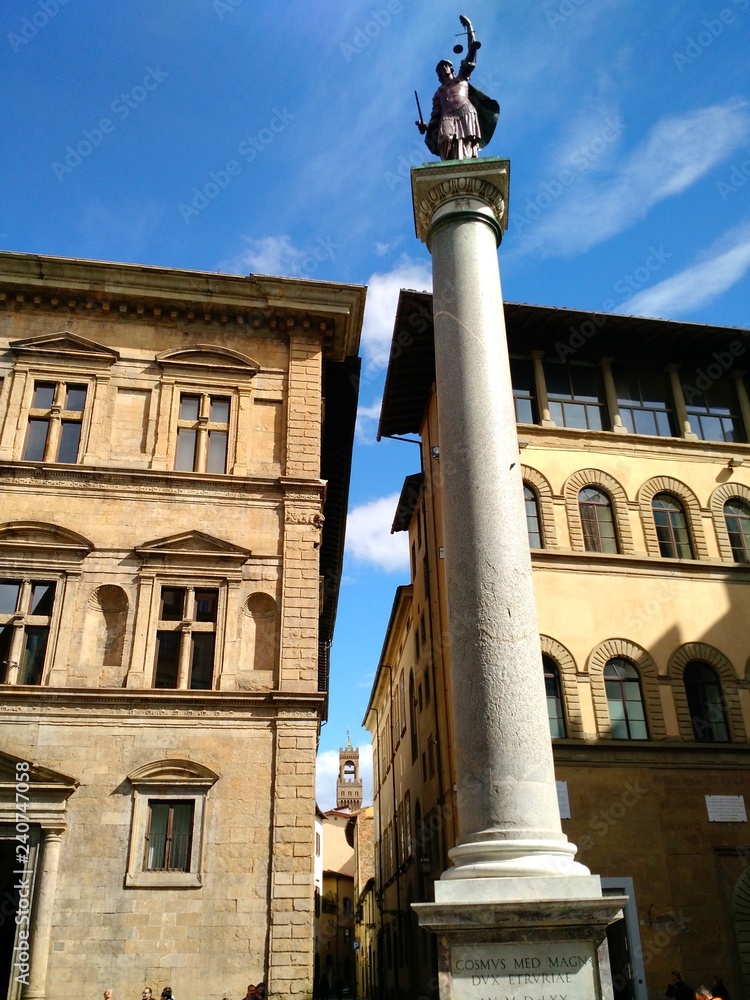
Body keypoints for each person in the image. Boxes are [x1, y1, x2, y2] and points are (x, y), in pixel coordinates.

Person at [416, 14, 498, 161]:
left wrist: (469, 27)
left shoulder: (462, 78)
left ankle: (466, 167)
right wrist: (427, 127)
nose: (444, 69)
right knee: (446, 138)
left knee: (467, 143)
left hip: (465, 110)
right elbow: (436, 115)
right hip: (447, 115)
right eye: (441, 68)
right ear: (439, 74)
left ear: (451, 68)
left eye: (446, 66)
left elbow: (472, 53)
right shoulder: (439, 92)